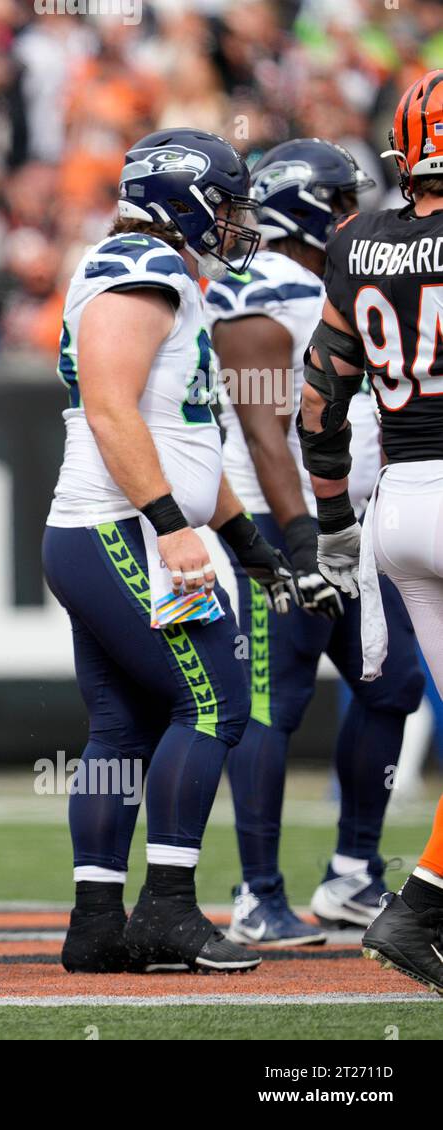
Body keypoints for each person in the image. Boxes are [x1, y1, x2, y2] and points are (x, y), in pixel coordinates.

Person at [44, 129, 296, 975]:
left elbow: (182, 435)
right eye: (223, 204)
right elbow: (114, 411)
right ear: (182, 197)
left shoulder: (159, 273)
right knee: (219, 702)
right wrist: (170, 523)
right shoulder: (139, 271)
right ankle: (168, 908)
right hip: (118, 527)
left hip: (114, 527)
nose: (232, 223)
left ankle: (96, 921)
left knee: (122, 724)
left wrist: (245, 539)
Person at [207, 139, 424, 947]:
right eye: (338, 205)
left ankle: (353, 875)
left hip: (346, 525)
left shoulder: (316, 280)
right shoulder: (265, 289)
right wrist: (302, 544)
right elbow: (268, 434)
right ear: (306, 209)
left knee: (390, 682)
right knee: (274, 701)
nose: (350, 219)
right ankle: (258, 891)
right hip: (282, 527)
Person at [298, 72, 443, 994]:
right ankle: (420, 903)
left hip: (396, 508)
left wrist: (335, 527)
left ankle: (422, 905)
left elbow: (320, 405)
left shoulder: (355, 245)